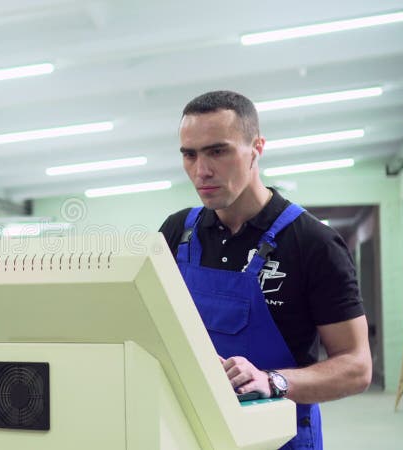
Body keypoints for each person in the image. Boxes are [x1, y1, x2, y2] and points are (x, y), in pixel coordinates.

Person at [159, 90, 372, 449]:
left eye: (217, 151)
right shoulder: (178, 232)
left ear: (256, 147)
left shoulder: (313, 243)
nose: (202, 170)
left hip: (281, 437)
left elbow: (357, 366)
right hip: (194, 433)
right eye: (190, 155)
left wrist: (271, 381)